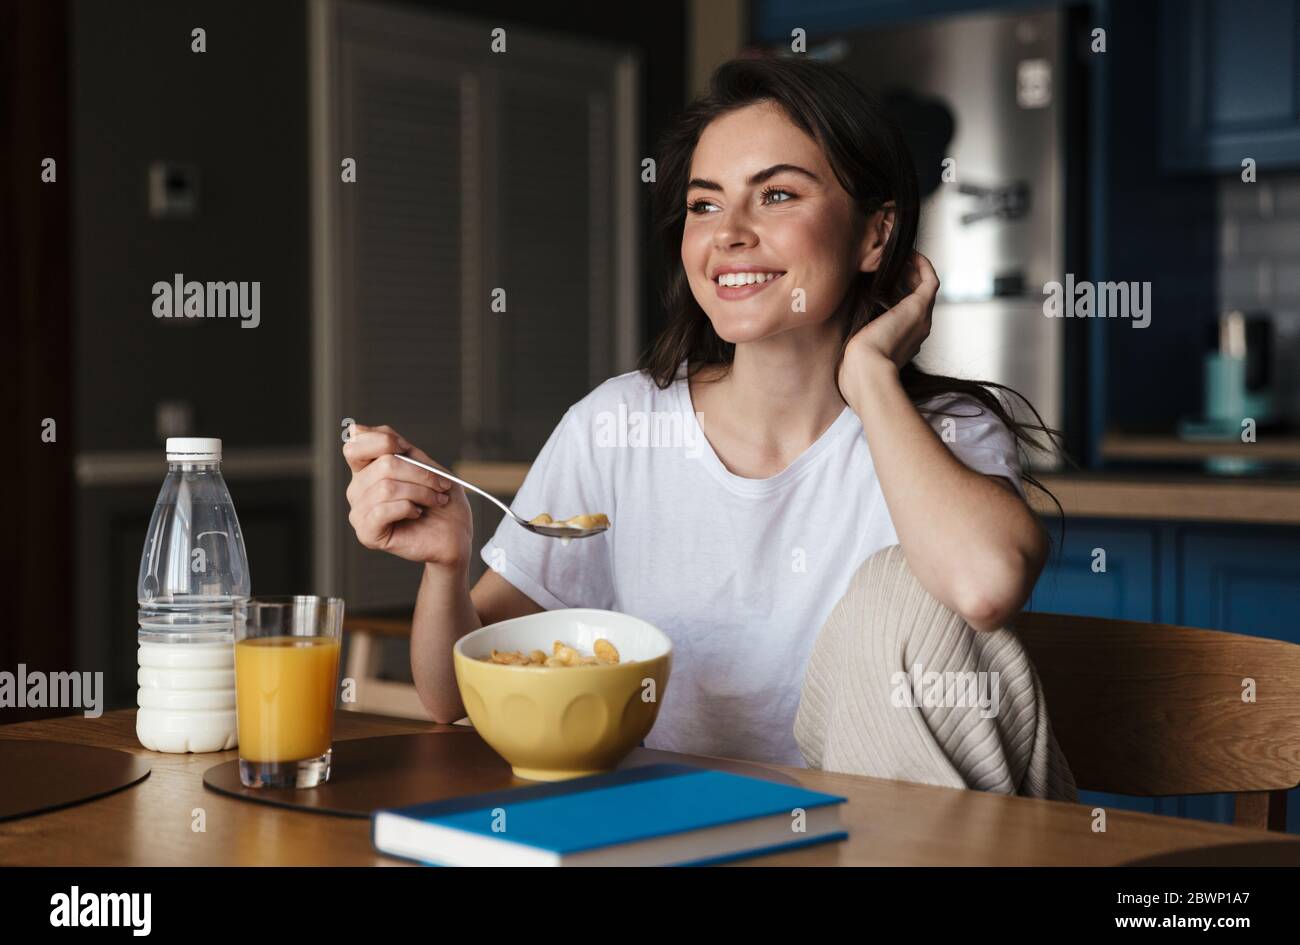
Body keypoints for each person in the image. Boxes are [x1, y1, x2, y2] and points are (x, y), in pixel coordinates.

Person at [342, 56, 1058, 767]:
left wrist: (871, 377)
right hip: (682, 830)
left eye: (777, 196)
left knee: (899, 589)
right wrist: (446, 566)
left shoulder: (943, 433)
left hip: (877, 838)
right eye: (705, 204)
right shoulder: (616, 427)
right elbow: (453, 698)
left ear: (876, 235)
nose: (729, 234)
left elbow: (984, 585)